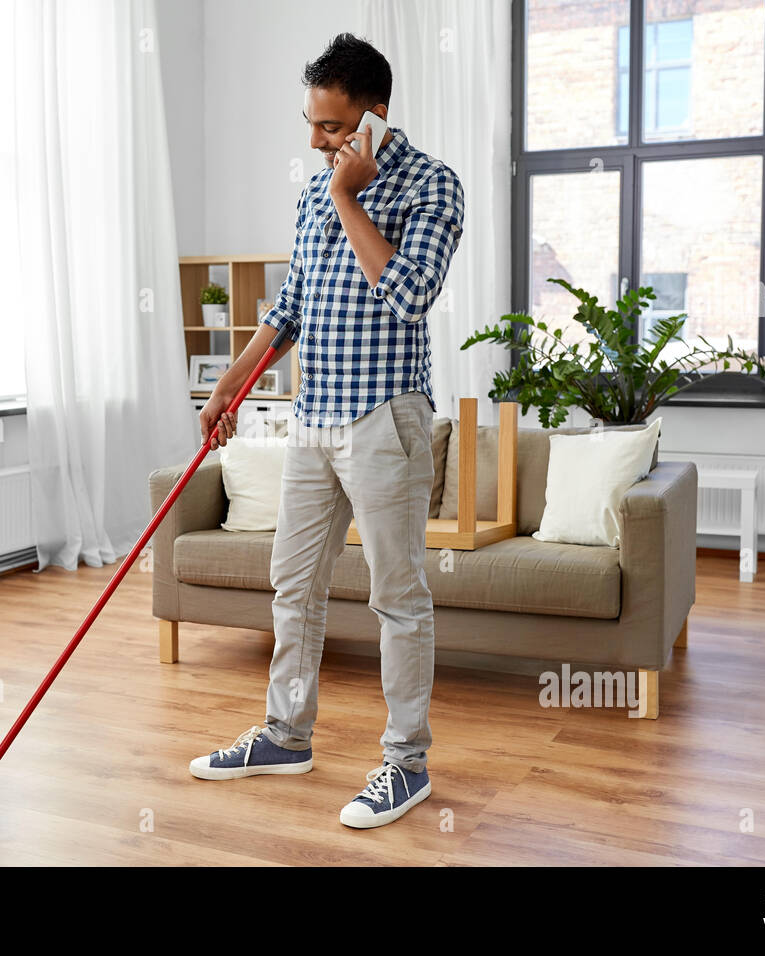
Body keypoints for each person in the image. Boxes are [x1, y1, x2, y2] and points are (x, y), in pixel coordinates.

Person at [189, 32, 465, 829]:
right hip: (311, 422)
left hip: (387, 418)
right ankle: (285, 734)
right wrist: (228, 387)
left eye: (333, 127)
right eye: (311, 123)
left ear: (376, 116)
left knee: (398, 598)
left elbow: (408, 295)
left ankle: (406, 762)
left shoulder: (431, 186)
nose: (316, 142)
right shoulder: (312, 192)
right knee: (293, 584)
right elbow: (290, 310)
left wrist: (352, 196)